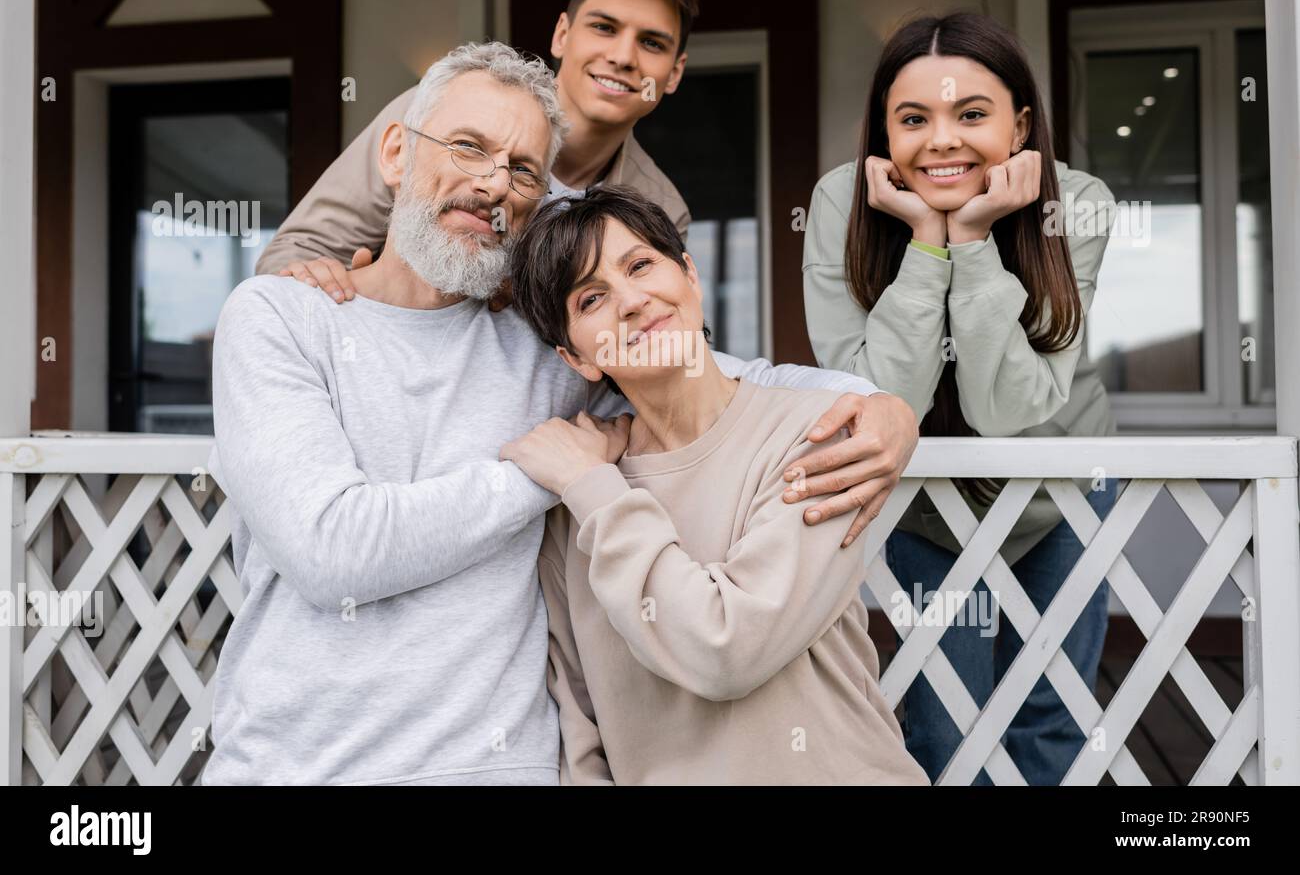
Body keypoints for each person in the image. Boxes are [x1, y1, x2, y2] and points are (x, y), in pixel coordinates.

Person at [201, 41, 916, 785]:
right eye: (468, 147)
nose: (491, 185)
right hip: (292, 769)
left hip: (495, 770)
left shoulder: (549, 344)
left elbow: (699, 366)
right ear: (393, 152)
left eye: (521, 171)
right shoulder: (281, 317)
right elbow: (332, 552)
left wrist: (877, 405)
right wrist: (548, 476)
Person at [501, 185, 929, 785]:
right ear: (576, 358)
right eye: (592, 298)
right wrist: (590, 486)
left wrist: (597, 488)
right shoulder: (574, 498)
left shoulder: (816, 434)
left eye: (641, 265)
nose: (631, 300)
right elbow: (580, 721)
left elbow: (728, 649)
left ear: (690, 276)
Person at [801, 11, 1118, 785]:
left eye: (971, 114)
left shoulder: (1073, 202)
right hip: (926, 511)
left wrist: (973, 242)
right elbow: (886, 403)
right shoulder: (843, 205)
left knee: (1056, 717)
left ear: (1020, 127)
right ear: (884, 132)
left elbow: (1012, 407)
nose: (941, 139)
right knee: (947, 728)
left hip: (1062, 495)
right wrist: (927, 240)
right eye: (914, 119)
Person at [257, 0, 699, 293]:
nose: (623, 57)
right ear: (562, 34)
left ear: (675, 72)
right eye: (604, 27)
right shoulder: (436, 112)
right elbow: (292, 253)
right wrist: (330, 288)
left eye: (652, 43)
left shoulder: (660, 206)